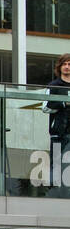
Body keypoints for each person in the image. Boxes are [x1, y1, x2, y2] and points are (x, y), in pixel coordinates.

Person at [44, 53, 70, 198]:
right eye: (64, 64)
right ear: (59, 67)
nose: (66, 67)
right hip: (57, 132)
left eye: (69, 64)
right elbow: (45, 106)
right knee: (57, 164)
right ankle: (54, 195)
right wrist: (64, 103)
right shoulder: (53, 85)